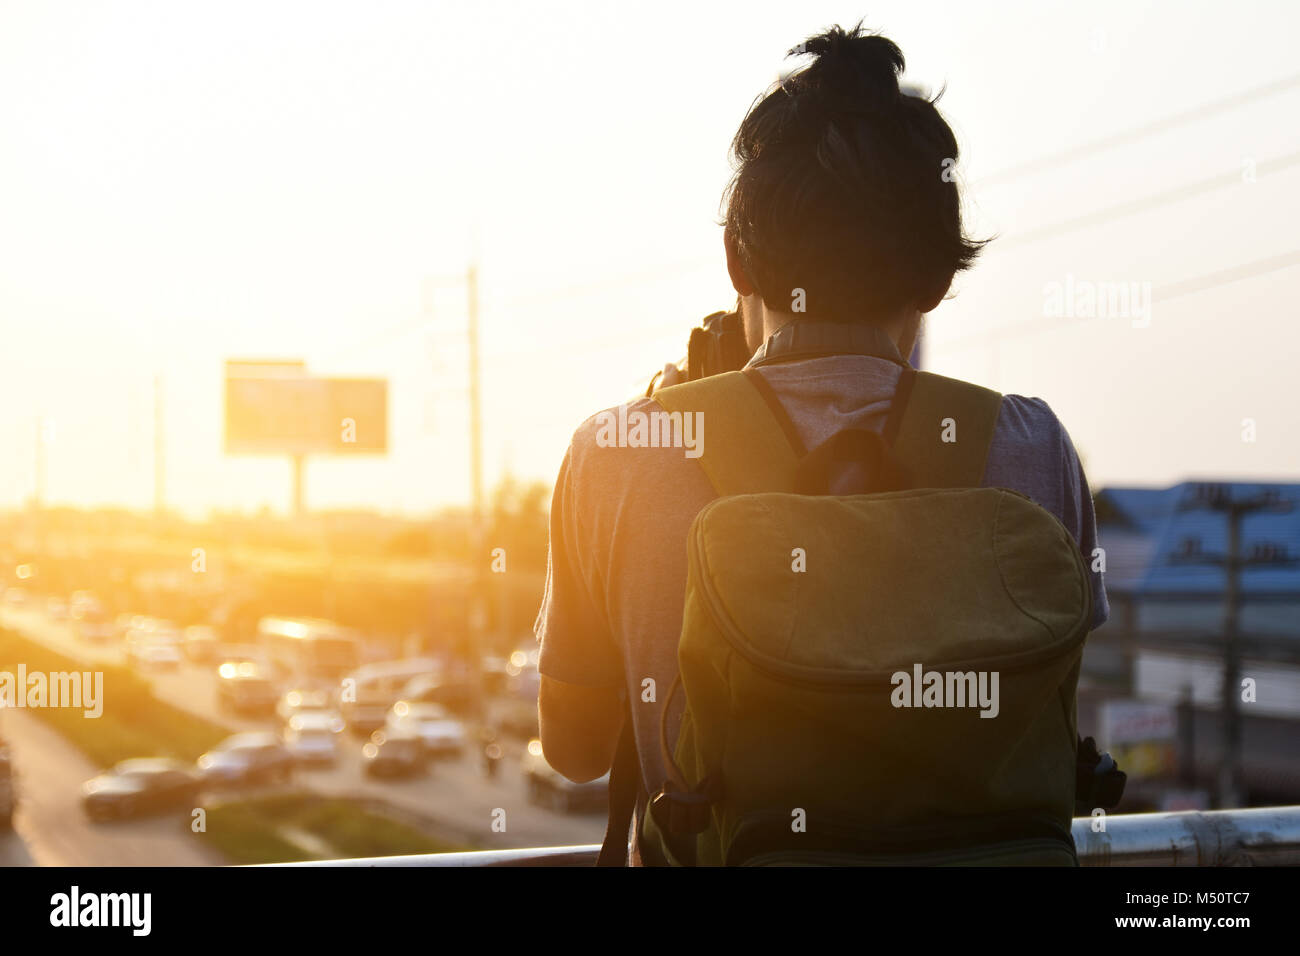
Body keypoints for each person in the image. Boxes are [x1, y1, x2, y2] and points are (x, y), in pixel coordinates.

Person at [534, 22, 1108, 864]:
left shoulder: (621, 449)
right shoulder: (1033, 446)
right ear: (942, 274)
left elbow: (575, 750)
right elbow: (1047, 716)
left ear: (736, 258)